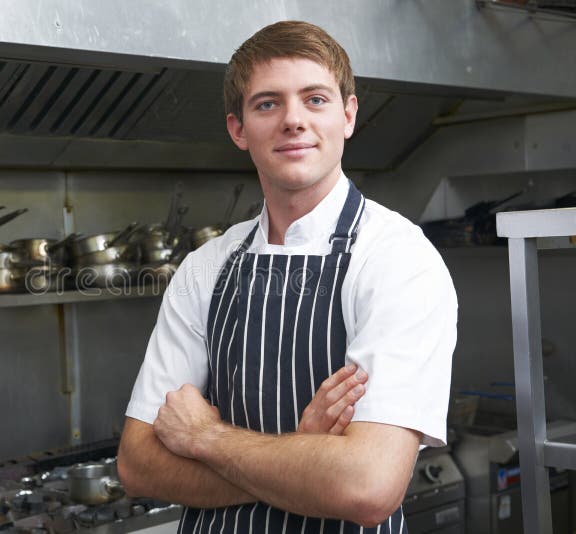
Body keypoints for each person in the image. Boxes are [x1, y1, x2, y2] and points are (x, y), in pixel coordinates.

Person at [117, 20, 457, 533]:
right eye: (267, 104)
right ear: (238, 129)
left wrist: (207, 439)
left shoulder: (396, 259)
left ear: (348, 115)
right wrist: (304, 453)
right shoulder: (206, 266)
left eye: (315, 99)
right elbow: (138, 465)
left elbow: (366, 487)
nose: (293, 120)